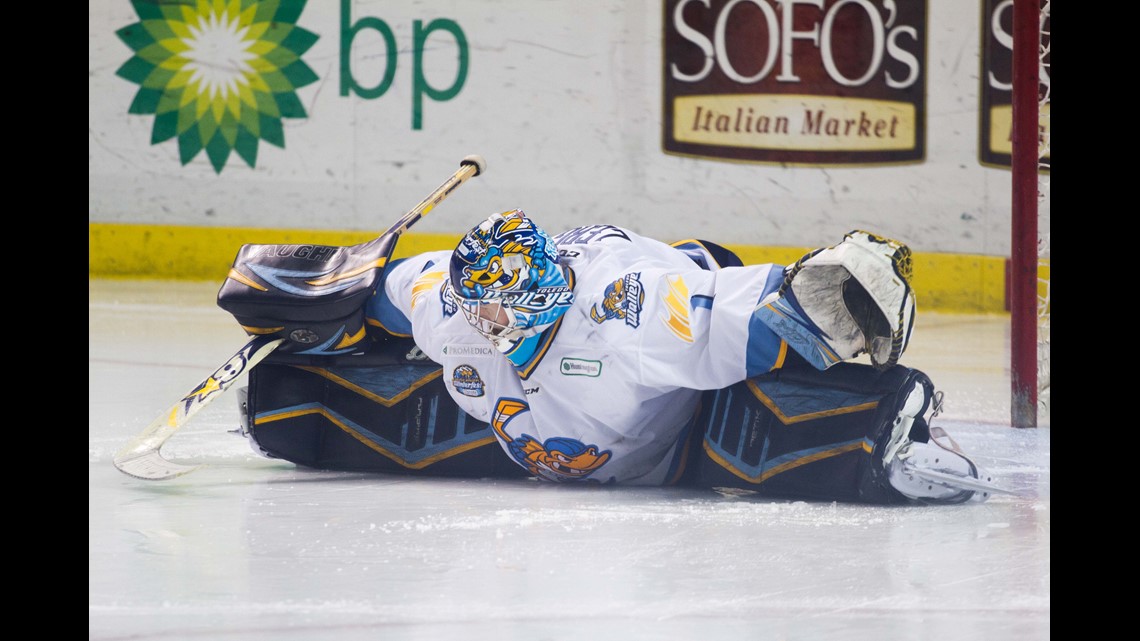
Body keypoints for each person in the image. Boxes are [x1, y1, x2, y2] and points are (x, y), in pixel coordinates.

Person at [226, 209, 1001, 505]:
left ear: (538, 295)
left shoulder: (631, 316)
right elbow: (380, 292)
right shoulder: (453, 301)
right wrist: (314, 314)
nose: (481, 317)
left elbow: (771, 314)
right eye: (475, 302)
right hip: (545, 437)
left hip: (677, 426)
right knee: (313, 392)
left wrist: (837, 288)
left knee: (768, 410)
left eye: (498, 304)